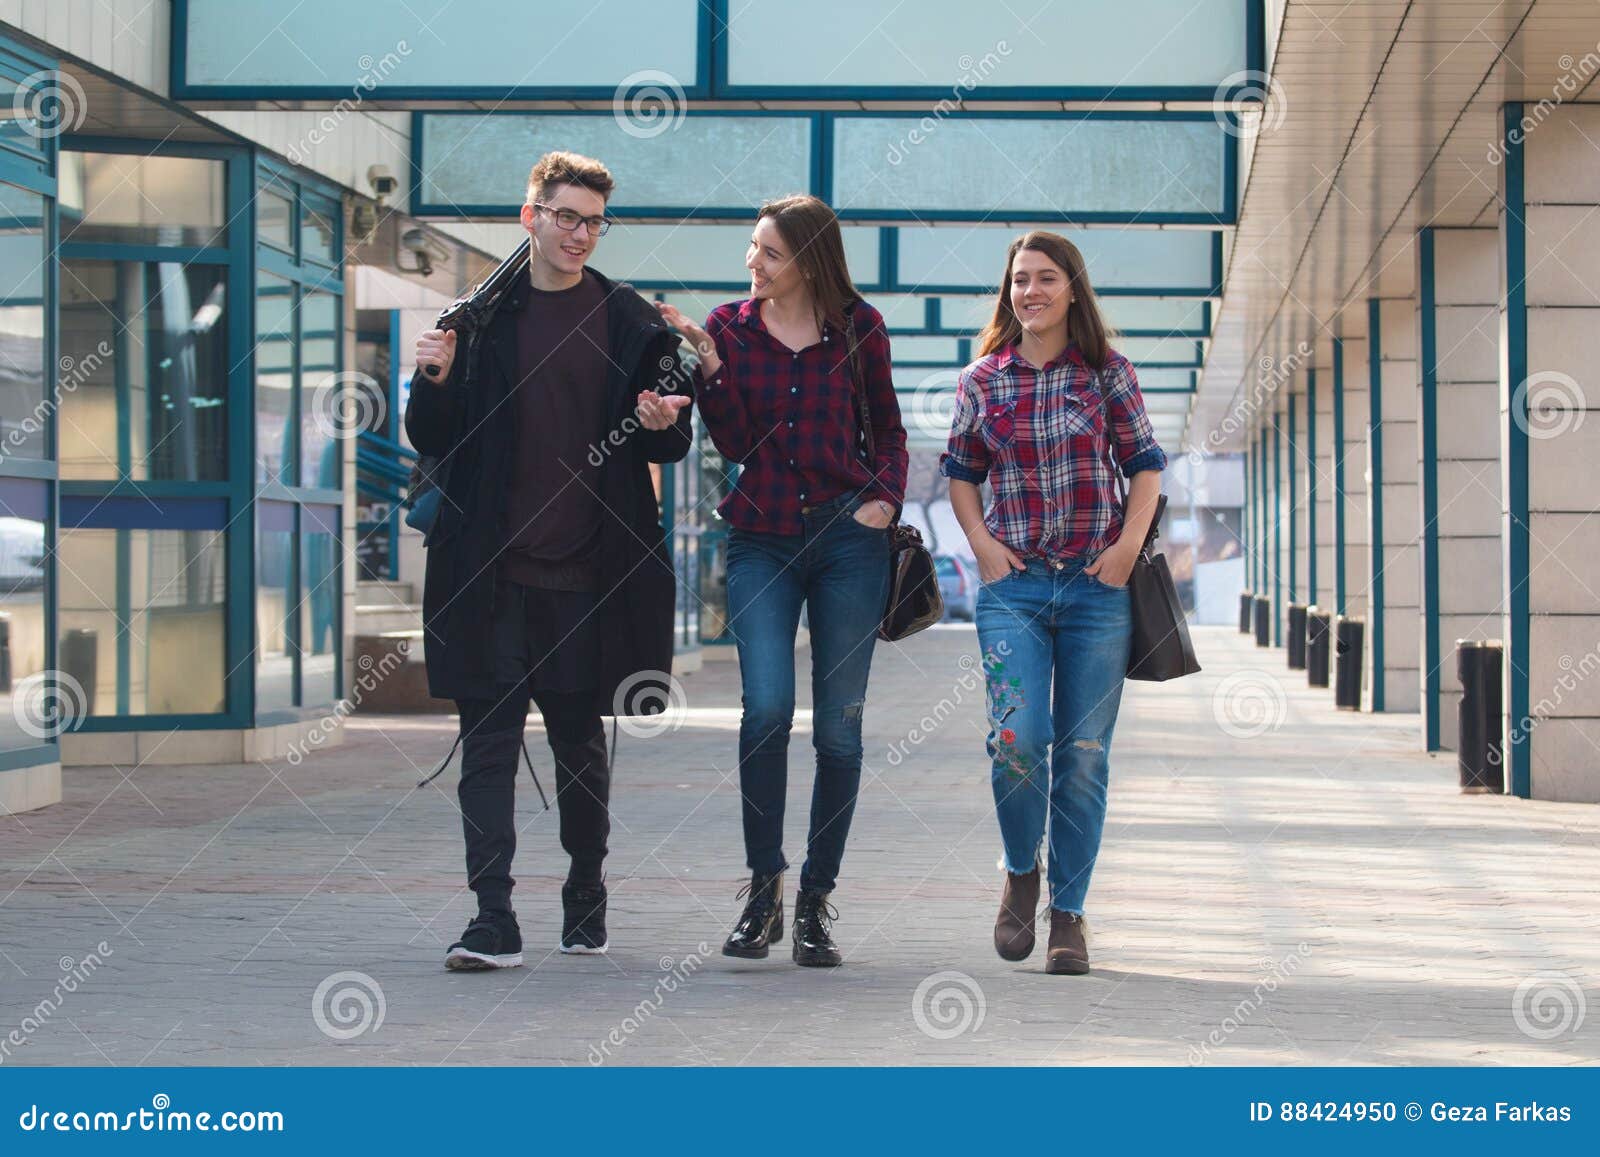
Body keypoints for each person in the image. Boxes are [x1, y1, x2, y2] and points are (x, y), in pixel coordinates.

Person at [406, 151, 694, 970]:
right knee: (488, 746)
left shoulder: (627, 318)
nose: (578, 233)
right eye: (564, 216)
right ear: (529, 215)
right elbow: (431, 436)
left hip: (586, 573)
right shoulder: (479, 319)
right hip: (488, 573)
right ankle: (492, 917)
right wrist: (430, 378)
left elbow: (671, 431)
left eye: (593, 221)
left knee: (578, 745)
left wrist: (654, 418)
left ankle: (586, 886)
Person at [656, 194, 907, 968]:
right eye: (751, 249)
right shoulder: (728, 327)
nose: (752, 263)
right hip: (760, 535)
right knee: (765, 707)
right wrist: (712, 365)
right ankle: (764, 890)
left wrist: (884, 500)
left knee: (839, 726)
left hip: (847, 540)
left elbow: (889, 429)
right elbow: (731, 439)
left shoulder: (859, 328)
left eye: (768, 251)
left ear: (808, 258)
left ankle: (815, 902)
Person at [940, 230, 1166, 976]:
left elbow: (1145, 467)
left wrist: (1128, 547)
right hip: (1015, 590)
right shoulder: (984, 379)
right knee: (1017, 742)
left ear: (1072, 287)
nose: (1028, 291)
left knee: (1083, 754)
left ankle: (1069, 912)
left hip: (1098, 591)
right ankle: (1020, 870)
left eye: (1043, 278)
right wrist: (981, 544)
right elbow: (962, 472)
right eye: (1018, 280)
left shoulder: (1108, 374)